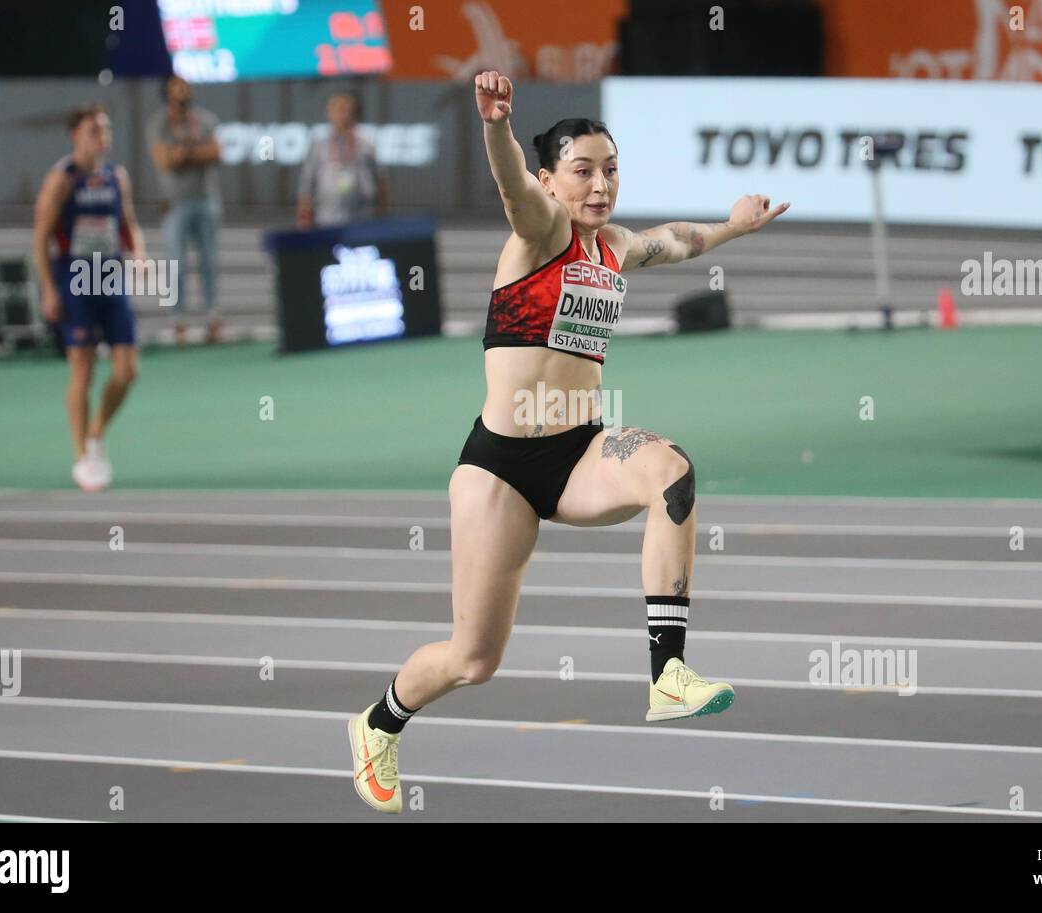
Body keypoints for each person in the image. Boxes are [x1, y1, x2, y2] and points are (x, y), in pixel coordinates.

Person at [347, 70, 789, 813]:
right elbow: (512, 183)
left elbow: (674, 242)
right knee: (474, 658)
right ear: (552, 180)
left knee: (671, 473)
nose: (600, 184)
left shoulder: (612, 247)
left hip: (579, 452)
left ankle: (668, 675)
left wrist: (732, 227)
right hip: (501, 469)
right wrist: (496, 125)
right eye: (582, 171)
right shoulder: (540, 230)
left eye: (611, 170)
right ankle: (377, 723)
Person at [32, 104, 144, 492]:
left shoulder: (117, 176)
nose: (103, 134)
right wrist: (48, 288)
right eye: (94, 128)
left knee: (128, 370)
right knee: (82, 367)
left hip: (109, 274)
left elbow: (127, 223)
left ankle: (96, 434)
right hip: (75, 277)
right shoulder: (61, 180)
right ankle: (83, 456)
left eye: (106, 127)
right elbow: (40, 236)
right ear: (75, 135)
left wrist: (140, 254)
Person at [147, 74, 224, 344]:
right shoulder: (159, 124)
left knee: (209, 261)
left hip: (206, 200)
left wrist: (183, 153)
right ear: (166, 92)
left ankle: (213, 317)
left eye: (185, 85)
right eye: (176, 86)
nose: (183, 90)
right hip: (175, 204)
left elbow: (216, 153)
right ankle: (177, 319)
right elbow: (166, 160)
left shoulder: (205, 119)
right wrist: (194, 152)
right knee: (176, 264)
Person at [296, 90, 388, 229]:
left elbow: (380, 183)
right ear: (329, 114)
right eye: (338, 110)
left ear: (355, 115)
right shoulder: (319, 147)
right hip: (326, 219)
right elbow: (306, 184)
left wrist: (381, 216)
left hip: (362, 218)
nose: (343, 116)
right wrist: (305, 216)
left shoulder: (366, 147)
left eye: (347, 111)